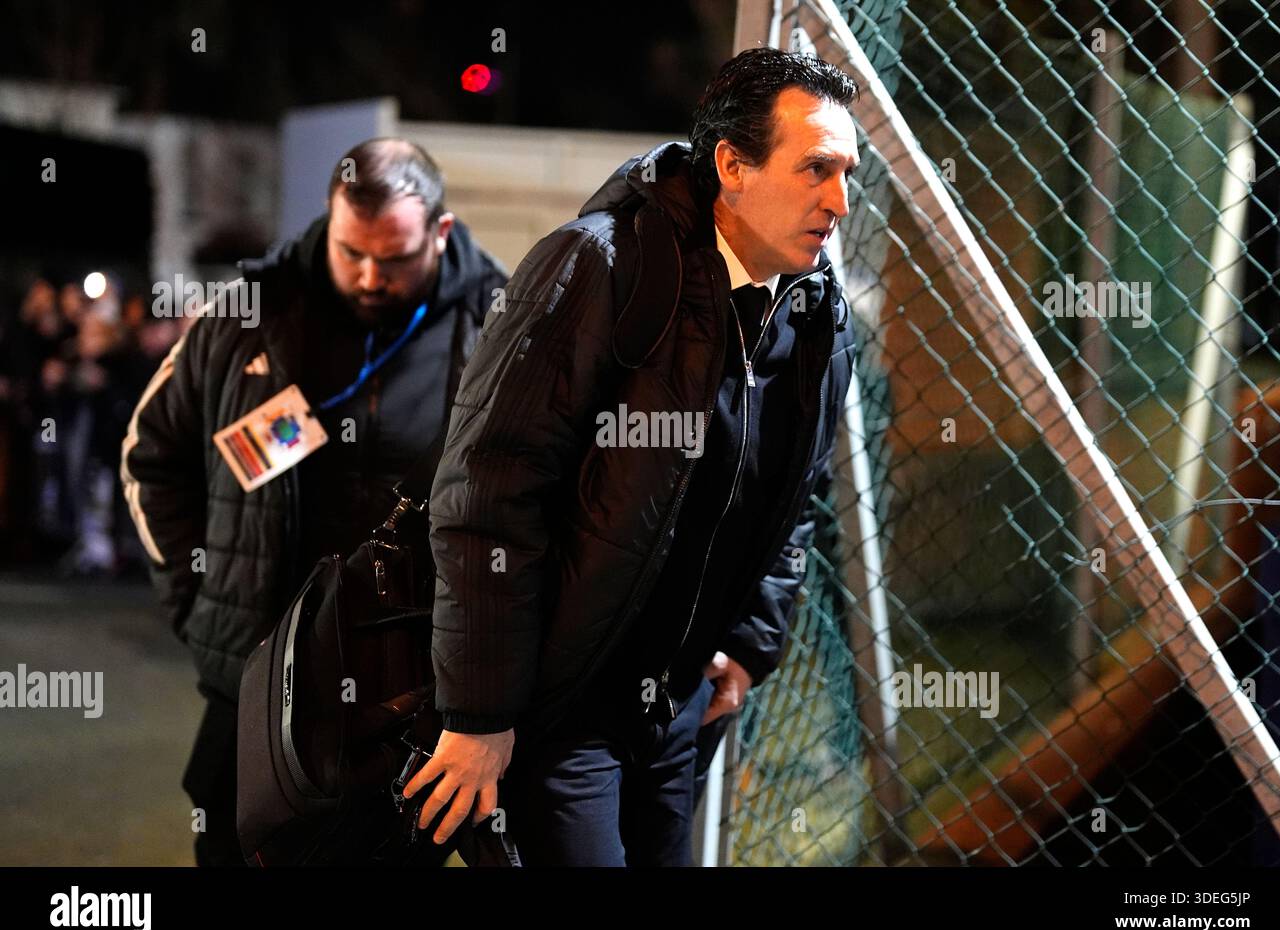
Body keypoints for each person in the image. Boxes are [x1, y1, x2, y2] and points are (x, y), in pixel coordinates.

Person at [406, 48, 861, 866]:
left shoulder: (817, 315)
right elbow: (487, 495)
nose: (840, 201)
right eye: (817, 169)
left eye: (848, 172)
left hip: (677, 709)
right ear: (733, 165)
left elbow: (798, 498)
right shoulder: (596, 266)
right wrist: (478, 713)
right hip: (558, 714)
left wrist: (750, 643)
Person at [121, 138, 508, 866]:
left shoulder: (504, 330)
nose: (369, 276)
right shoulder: (242, 316)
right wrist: (197, 600)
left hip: (412, 694)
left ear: (442, 233)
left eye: (393, 259)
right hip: (258, 680)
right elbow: (150, 457)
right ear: (327, 222)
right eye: (350, 251)